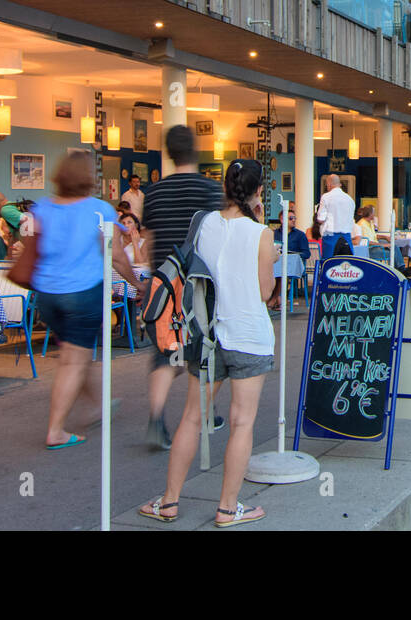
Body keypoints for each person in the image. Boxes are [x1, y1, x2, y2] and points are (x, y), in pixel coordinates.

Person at [139, 158, 276, 527]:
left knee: (191, 418)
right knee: (241, 423)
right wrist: (263, 231)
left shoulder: (203, 223)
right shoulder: (262, 234)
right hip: (249, 336)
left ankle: (168, 502)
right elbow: (266, 292)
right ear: (259, 191)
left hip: (208, 335)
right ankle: (228, 509)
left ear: (225, 189)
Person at [27, 151, 143, 450]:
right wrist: (135, 283)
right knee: (72, 360)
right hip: (82, 293)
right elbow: (117, 255)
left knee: (74, 353)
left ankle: (96, 405)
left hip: (47, 294)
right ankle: (56, 430)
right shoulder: (99, 210)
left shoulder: (43, 207)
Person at [141, 124, 226, 450]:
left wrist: (151, 278)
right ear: (196, 151)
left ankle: (157, 419)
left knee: (165, 352)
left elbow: (148, 240)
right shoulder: (209, 190)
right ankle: (206, 413)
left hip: (165, 281)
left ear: (169, 153)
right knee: (204, 348)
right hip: (198, 282)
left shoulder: (155, 192)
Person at [267, 205, 310, 310]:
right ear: (282, 220)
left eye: (294, 218)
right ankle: (275, 300)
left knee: (282, 272)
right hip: (276, 262)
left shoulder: (300, 235)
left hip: (293, 265)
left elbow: (307, 253)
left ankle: (273, 300)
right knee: (272, 270)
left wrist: (294, 255)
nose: (294, 220)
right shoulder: (275, 233)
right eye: (291, 218)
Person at [315, 173, 355, 258]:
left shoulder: (326, 197)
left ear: (328, 184)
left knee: (329, 265)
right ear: (339, 184)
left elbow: (320, 218)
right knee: (346, 265)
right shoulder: (350, 199)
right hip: (347, 237)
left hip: (330, 236)